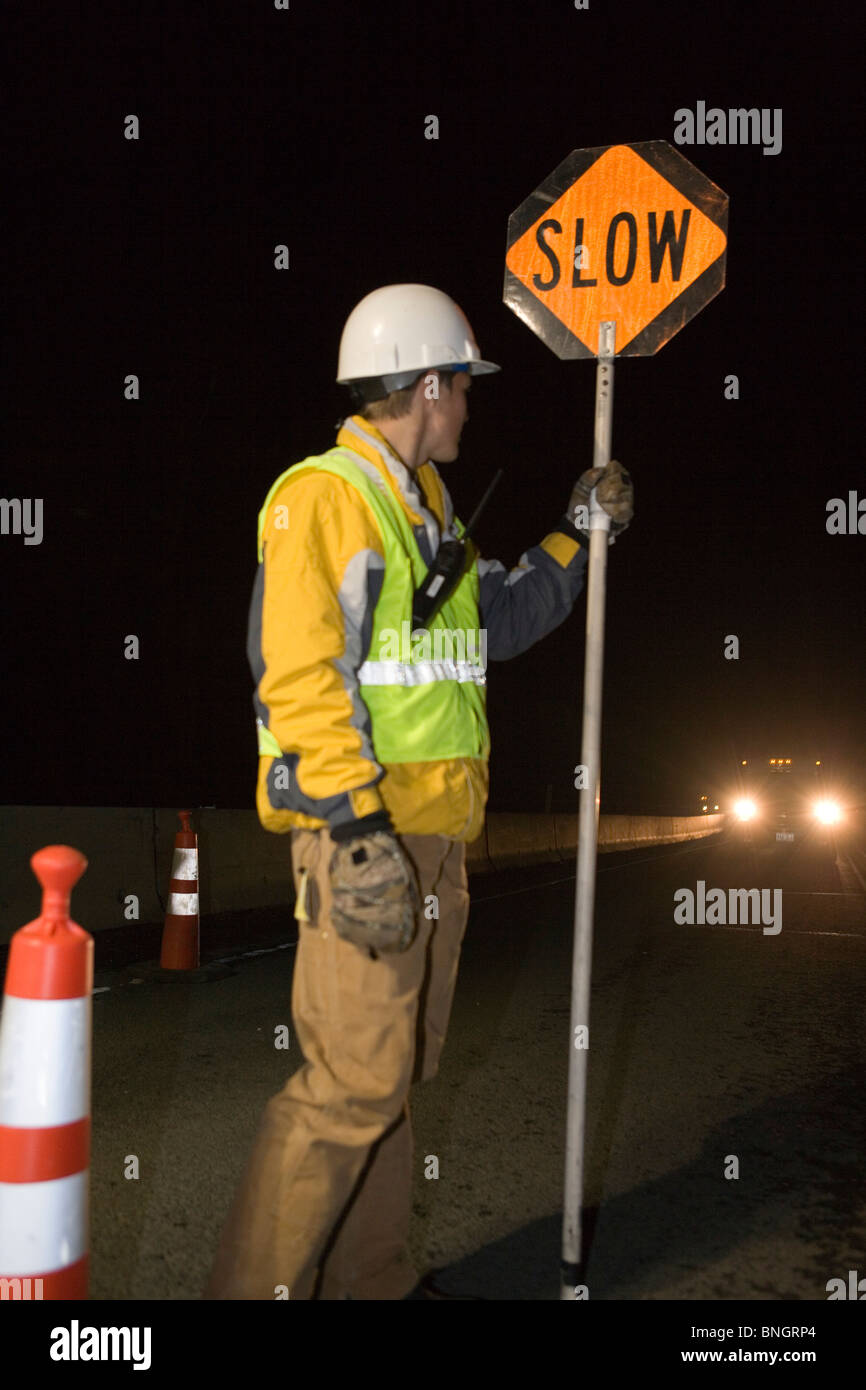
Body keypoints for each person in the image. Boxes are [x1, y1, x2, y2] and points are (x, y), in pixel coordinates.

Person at [204, 283, 633, 1301]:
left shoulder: (425, 509)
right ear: (428, 386)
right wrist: (354, 830)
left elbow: (494, 618)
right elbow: (297, 672)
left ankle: (373, 1280)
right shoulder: (325, 498)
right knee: (346, 1085)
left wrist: (579, 535)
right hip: (366, 838)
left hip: (434, 839)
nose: (470, 409)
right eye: (463, 389)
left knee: (392, 1080)